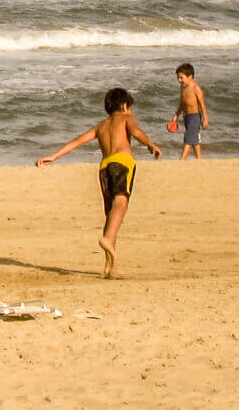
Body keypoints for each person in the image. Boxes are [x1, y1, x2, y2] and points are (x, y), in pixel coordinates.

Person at [38, 87, 163, 279]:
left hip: (104, 168)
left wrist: (54, 156)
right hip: (123, 162)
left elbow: (78, 141)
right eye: (129, 108)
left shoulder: (101, 126)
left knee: (111, 214)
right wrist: (151, 144)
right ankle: (106, 241)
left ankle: (109, 266)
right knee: (121, 203)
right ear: (124, 106)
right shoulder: (126, 118)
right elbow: (137, 132)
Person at [167, 62, 209, 160]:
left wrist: (205, 118)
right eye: (178, 78)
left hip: (195, 116)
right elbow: (182, 103)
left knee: (189, 137)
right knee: (194, 138)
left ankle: (182, 159)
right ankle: (199, 159)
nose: (179, 80)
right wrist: (176, 115)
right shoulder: (182, 88)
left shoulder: (195, 88)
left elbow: (202, 104)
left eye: (181, 77)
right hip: (186, 116)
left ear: (190, 76)